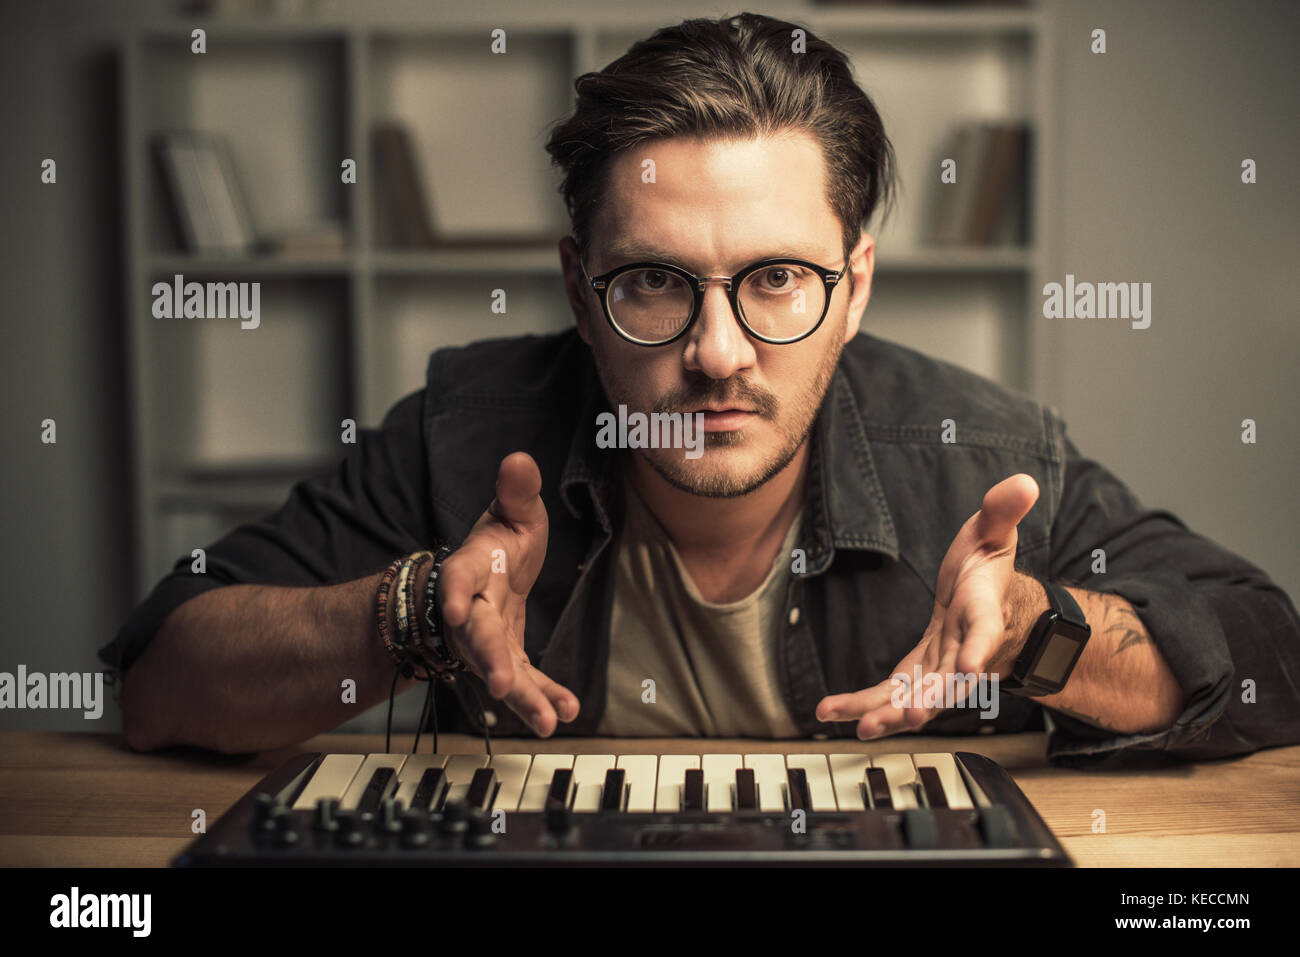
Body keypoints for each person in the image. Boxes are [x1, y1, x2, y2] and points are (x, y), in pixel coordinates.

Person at [105, 13, 1300, 768]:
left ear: (856, 284)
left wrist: (1043, 633)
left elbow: (1265, 660)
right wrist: (409, 615)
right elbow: (159, 680)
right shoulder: (471, 433)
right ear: (581, 291)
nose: (719, 352)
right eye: (656, 283)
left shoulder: (975, 453)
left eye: (777, 279)